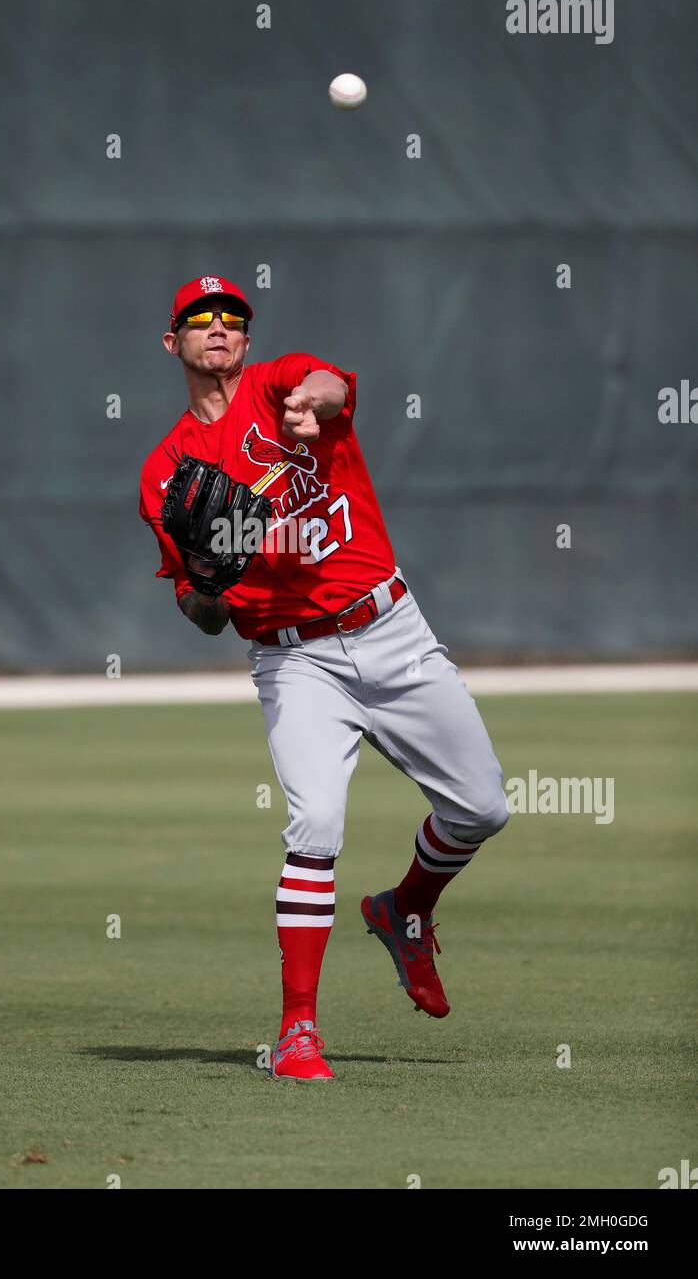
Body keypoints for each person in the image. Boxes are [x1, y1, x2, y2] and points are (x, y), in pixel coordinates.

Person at [139, 274, 509, 1081]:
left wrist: (315, 402)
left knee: (483, 807)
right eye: (198, 319)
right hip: (294, 657)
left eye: (231, 317)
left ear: (246, 336)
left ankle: (405, 907)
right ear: (173, 343)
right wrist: (204, 577)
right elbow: (199, 611)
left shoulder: (281, 389)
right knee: (315, 826)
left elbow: (329, 383)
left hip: (391, 629)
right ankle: (298, 1031)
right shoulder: (166, 469)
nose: (218, 327)